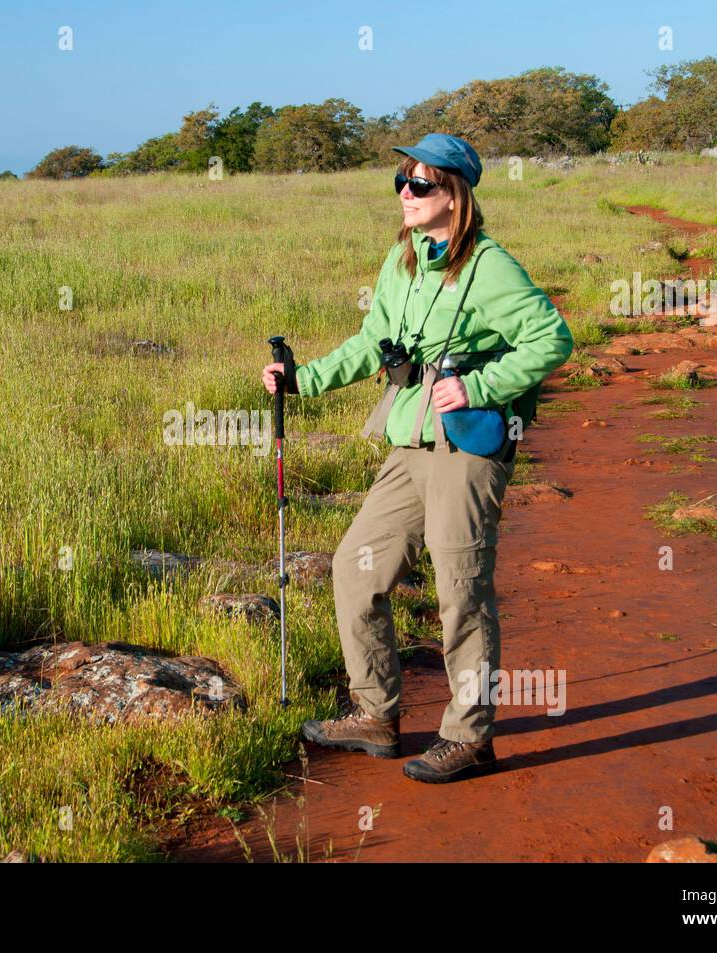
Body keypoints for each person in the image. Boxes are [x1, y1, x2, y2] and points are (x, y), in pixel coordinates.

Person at [260, 133, 573, 783]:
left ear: (454, 195)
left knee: (460, 589)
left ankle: (470, 735)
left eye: (421, 184)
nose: (406, 192)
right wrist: (301, 379)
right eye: (402, 180)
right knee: (354, 566)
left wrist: (481, 384)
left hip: (467, 447)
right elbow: (372, 342)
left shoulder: (490, 267)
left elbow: (552, 336)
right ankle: (375, 713)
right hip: (409, 442)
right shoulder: (401, 261)